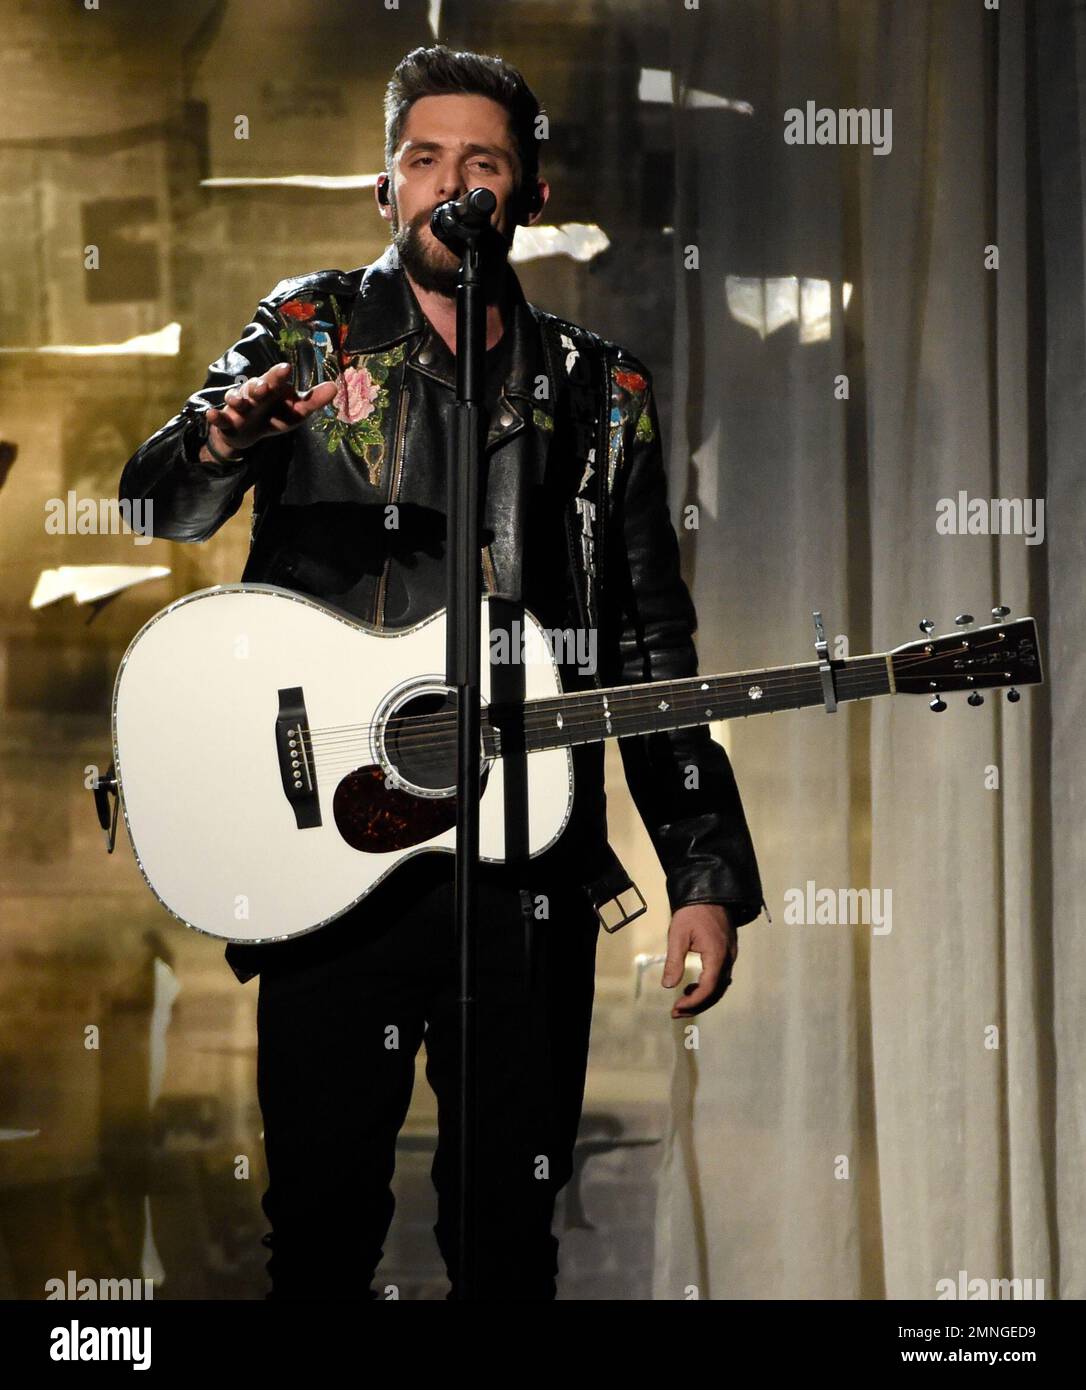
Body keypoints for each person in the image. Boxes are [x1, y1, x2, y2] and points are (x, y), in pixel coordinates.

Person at [119, 44, 763, 1302]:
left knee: (509, 1248)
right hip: (333, 861)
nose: (450, 185)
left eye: (483, 163)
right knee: (318, 1235)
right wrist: (217, 434)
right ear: (386, 188)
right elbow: (163, 508)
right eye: (425, 161)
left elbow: (646, 647)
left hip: (527, 866)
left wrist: (703, 869)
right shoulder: (306, 333)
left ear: (526, 195)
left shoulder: (601, 393)